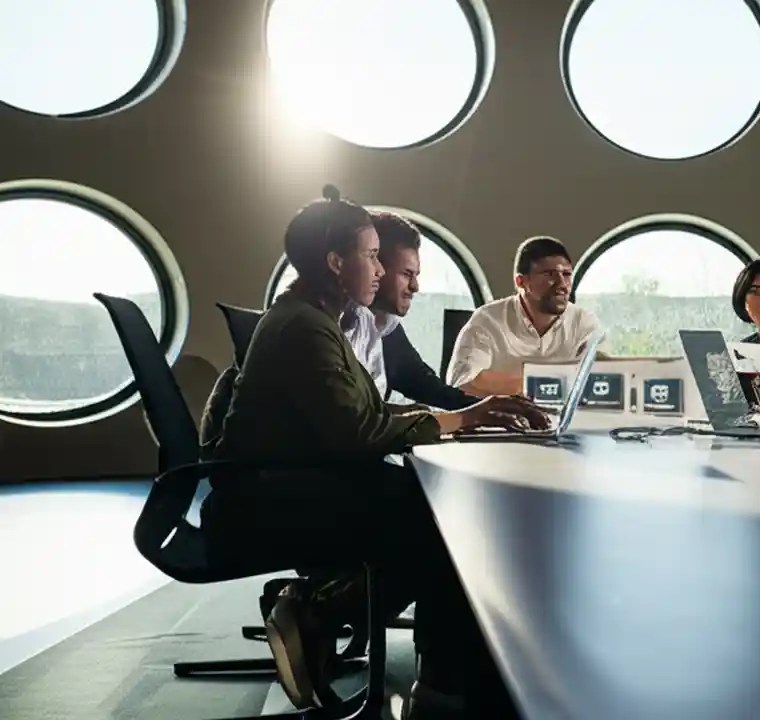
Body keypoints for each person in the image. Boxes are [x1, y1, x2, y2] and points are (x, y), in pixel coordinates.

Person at [204, 185, 549, 717]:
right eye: (371, 257)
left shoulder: (317, 321)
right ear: (336, 262)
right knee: (445, 521)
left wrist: (463, 417)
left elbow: (363, 414)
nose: (381, 271)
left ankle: (415, 664)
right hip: (270, 499)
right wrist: (457, 419)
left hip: (288, 482)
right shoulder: (305, 329)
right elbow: (357, 430)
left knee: (439, 510)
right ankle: (418, 672)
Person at [342, 210, 477, 410]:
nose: (415, 286)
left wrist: (486, 408)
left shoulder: (386, 326)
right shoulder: (341, 325)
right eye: (406, 274)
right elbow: (356, 414)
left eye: (416, 275)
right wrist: (421, 416)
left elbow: (426, 386)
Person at [446, 236, 602, 396]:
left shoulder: (584, 323)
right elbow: (462, 381)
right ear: (521, 282)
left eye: (567, 274)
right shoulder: (487, 320)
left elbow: (603, 380)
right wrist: (547, 385)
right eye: (549, 275)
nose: (562, 284)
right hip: (501, 419)